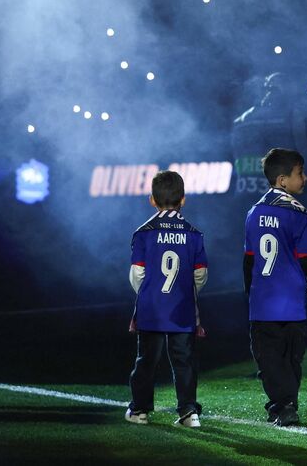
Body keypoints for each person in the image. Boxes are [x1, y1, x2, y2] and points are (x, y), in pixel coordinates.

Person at [244, 148, 307, 427]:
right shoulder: (300, 215)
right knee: (291, 360)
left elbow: (249, 261)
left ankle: (280, 405)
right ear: (282, 180)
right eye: (300, 173)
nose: (305, 178)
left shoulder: (253, 213)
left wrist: (251, 293)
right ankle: (286, 405)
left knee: (269, 361)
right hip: (293, 304)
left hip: (263, 304)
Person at [126, 170, 208, 428]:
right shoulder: (194, 234)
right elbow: (201, 275)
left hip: (151, 309)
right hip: (182, 309)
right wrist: (183, 291)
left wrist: (150, 293)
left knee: (146, 361)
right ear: (183, 199)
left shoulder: (143, 233)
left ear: (152, 200)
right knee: (184, 362)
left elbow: (137, 274)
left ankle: (139, 410)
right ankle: (188, 412)